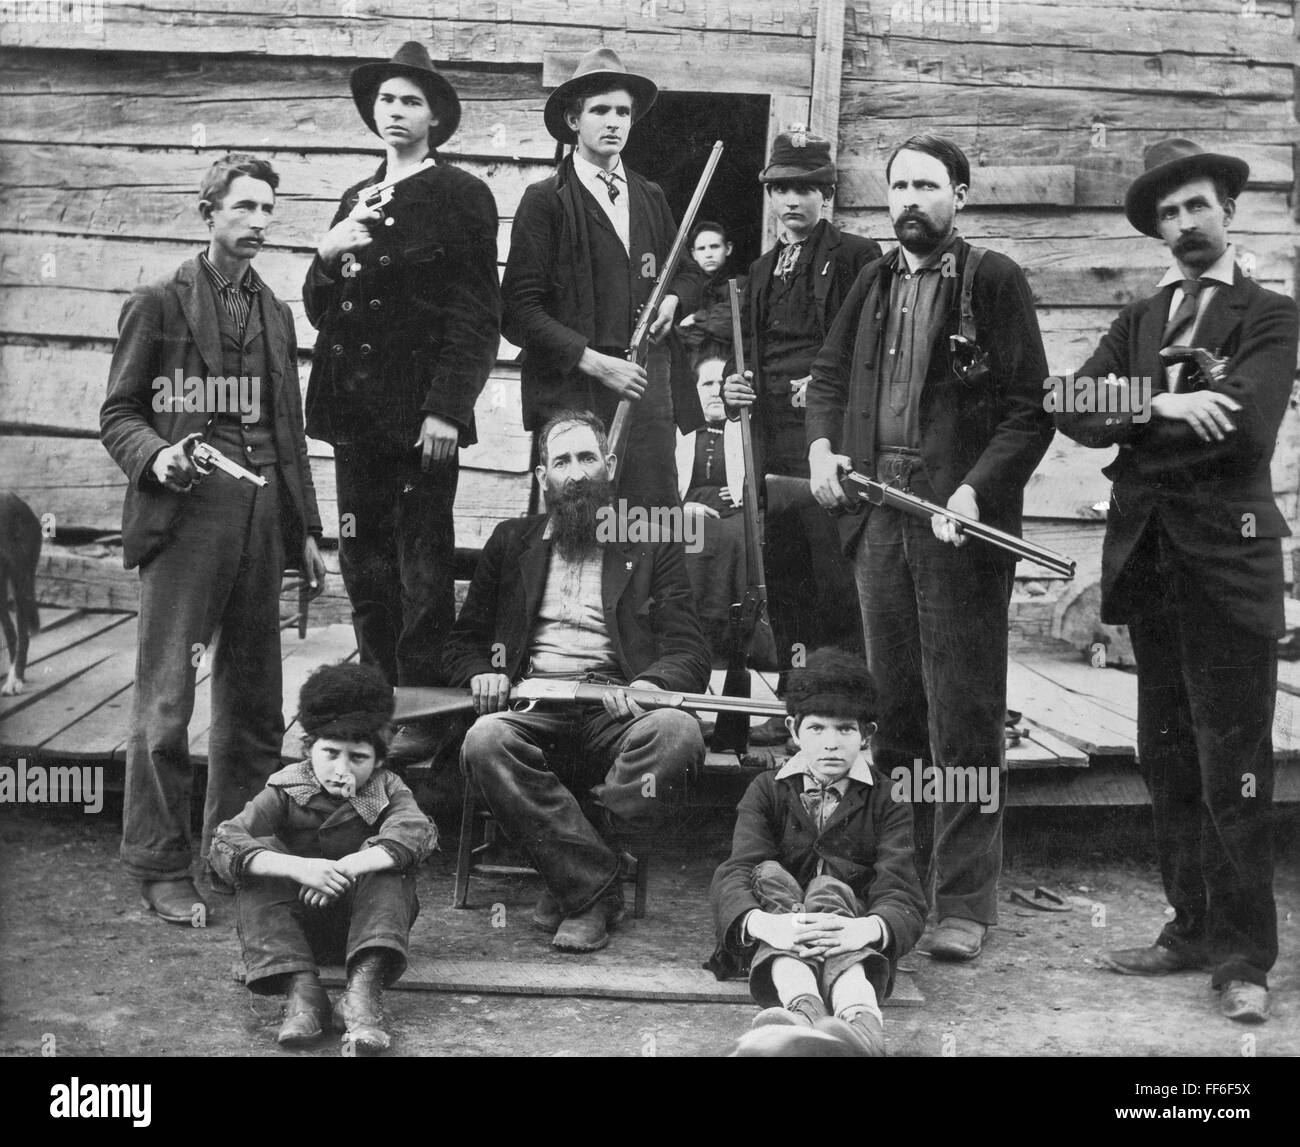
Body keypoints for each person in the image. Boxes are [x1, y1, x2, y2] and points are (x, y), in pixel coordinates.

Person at [1054, 139, 1297, 1024]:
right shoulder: (1141, 318)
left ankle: (1243, 957)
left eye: (1197, 205)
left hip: (1230, 566)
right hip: (1150, 564)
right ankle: (1189, 924)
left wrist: (1140, 414)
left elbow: (1244, 427)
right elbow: (1069, 409)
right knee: (1166, 755)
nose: (1184, 223)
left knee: (1233, 762)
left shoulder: (1269, 314)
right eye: (1168, 212)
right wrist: (1157, 403)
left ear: (1226, 208)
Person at [805, 134, 1053, 961]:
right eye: (899, 185)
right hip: (881, 516)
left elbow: (1029, 408)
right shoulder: (873, 279)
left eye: (928, 185)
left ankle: (965, 901)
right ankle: (904, 883)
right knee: (897, 711)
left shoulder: (992, 280)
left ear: (962, 194)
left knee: (964, 716)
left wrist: (976, 489)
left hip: (958, 525)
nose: (911, 199)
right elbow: (829, 380)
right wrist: (820, 450)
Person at [101, 153, 327, 924]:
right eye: (246, 207)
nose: (260, 222)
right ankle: (161, 863)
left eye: (269, 209)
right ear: (209, 211)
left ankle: (233, 850)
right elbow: (118, 414)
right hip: (188, 513)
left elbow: (288, 432)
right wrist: (158, 455)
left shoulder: (275, 312)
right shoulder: (159, 303)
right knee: (167, 698)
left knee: (255, 700)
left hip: (263, 515)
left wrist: (309, 532)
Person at [443, 410, 710, 953]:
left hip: (616, 708)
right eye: (561, 462)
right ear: (543, 478)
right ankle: (593, 887)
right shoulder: (510, 540)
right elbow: (460, 640)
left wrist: (651, 685)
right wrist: (482, 672)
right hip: (531, 702)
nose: (577, 472)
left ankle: (570, 878)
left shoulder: (650, 540)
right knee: (484, 740)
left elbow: (689, 647)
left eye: (587, 457)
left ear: (608, 465)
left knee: (679, 734)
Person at [302, 42, 500, 714]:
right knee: (362, 559)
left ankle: (420, 707)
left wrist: (447, 407)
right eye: (386, 99)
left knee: (421, 564)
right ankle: (370, 697)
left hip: (418, 418)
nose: (395, 111)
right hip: (353, 415)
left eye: (411, 100)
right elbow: (321, 308)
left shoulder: (461, 195)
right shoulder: (356, 195)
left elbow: (477, 313)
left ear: (436, 116)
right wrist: (325, 255)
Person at [722, 131, 881, 746]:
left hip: (831, 443)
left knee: (835, 578)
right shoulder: (760, 271)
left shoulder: (856, 257)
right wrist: (739, 387)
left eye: (805, 189)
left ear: (826, 195)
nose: (791, 200)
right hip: (771, 443)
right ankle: (798, 705)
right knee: (785, 575)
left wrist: (816, 394)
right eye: (781, 188)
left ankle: (848, 711)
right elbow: (753, 358)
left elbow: (861, 354)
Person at [502, 47, 703, 510]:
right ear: (574, 120)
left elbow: (687, 273)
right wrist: (592, 361)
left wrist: (672, 302)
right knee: (581, 525)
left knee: (652, 523)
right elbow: (518, 311)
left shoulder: (650, 196)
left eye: (622, 112)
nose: (613, 122)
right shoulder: (545, 201)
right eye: (599, 110)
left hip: (646, 389)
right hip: (575, 392)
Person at [707, 648, 926, 1057]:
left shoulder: (890, 797)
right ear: (793, 729)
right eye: (817, 729)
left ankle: (856, 1024)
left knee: (828, 885)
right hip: (780, 925)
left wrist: (868, 929)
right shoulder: (767, 789)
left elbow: (902, 888)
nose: (830, 744)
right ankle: (805, 1012)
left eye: (844, 730)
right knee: (767, 873)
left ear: (867, 734)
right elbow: (736, 872)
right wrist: (763, 924)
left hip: (850, 934)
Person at [210, 662, 437, 1053]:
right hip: (295, 932)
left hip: (365, 929)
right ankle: (304, 994)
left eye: (358, 757)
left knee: (391, 869)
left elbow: (416, 831)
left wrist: (347, 867)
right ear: (308, 748)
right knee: (257, 863)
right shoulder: (286, 788)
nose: (340, 769)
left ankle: (361, 997)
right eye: (330, 753)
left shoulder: (388, 789)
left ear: (379, 759)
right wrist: (301, 868)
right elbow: (225, 842)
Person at [674, 352, 746, 661]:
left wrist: (743, 491)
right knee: (694, 534)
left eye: (722, 383)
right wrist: (683, 507)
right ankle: (690, 639)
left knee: (738, 538)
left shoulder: (745, 430)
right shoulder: (680, 431)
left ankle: (732, 646)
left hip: (735, 515)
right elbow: (664, 485)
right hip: (689, 512)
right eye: (707, 383)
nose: (716, 391)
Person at [677, 220, 743, 353]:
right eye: (701, 248)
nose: (708, 254)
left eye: (714, 246)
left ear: (728, 248)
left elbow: (732, 325)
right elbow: (676, 333)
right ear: (694, 254)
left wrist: (696, 318)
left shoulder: (743, 283)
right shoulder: (687, 288)